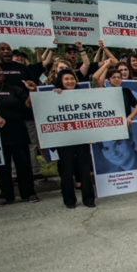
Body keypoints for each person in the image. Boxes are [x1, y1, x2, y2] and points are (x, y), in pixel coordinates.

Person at [0, 62, 41, 206]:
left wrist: (32, 91)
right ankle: (6, 195)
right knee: (2, 167)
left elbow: (28, 104)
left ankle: (29, 192)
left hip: (18, 133)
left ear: (3, 74)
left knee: (24, 164)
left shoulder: (15, 89)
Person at [52, 69, 96, 209]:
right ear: (61, 81)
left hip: (82, 138)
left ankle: (89, 198)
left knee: (84, 170)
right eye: (66, 79)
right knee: (67, 170)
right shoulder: (53, 95)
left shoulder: (83, 95)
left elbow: (90, 114)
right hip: (64, 140)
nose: (70, 81)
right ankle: (69, 200)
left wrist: (93, 133)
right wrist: (55, 96)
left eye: (72, 79)